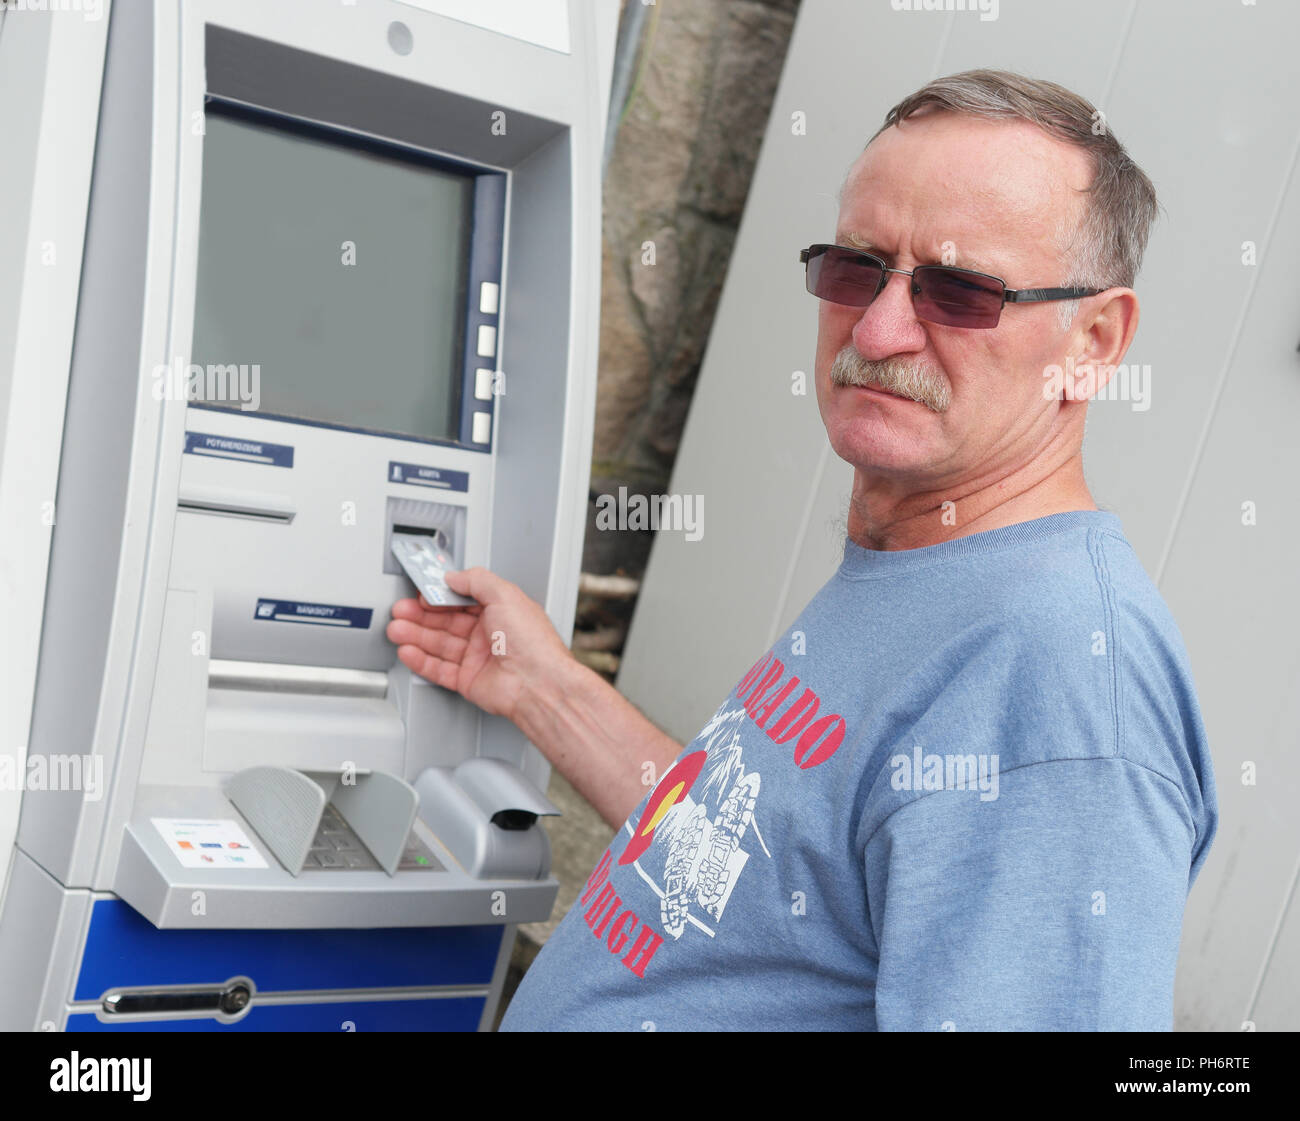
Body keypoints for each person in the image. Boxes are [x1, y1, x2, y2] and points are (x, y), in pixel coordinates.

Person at [386, 70, 1217, 1031]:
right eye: (858, 267)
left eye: (959, 290)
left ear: (1096, 340)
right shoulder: (924, 560)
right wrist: (541, 685)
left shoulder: (1060, 676)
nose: (877, 329)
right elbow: (753, 866)